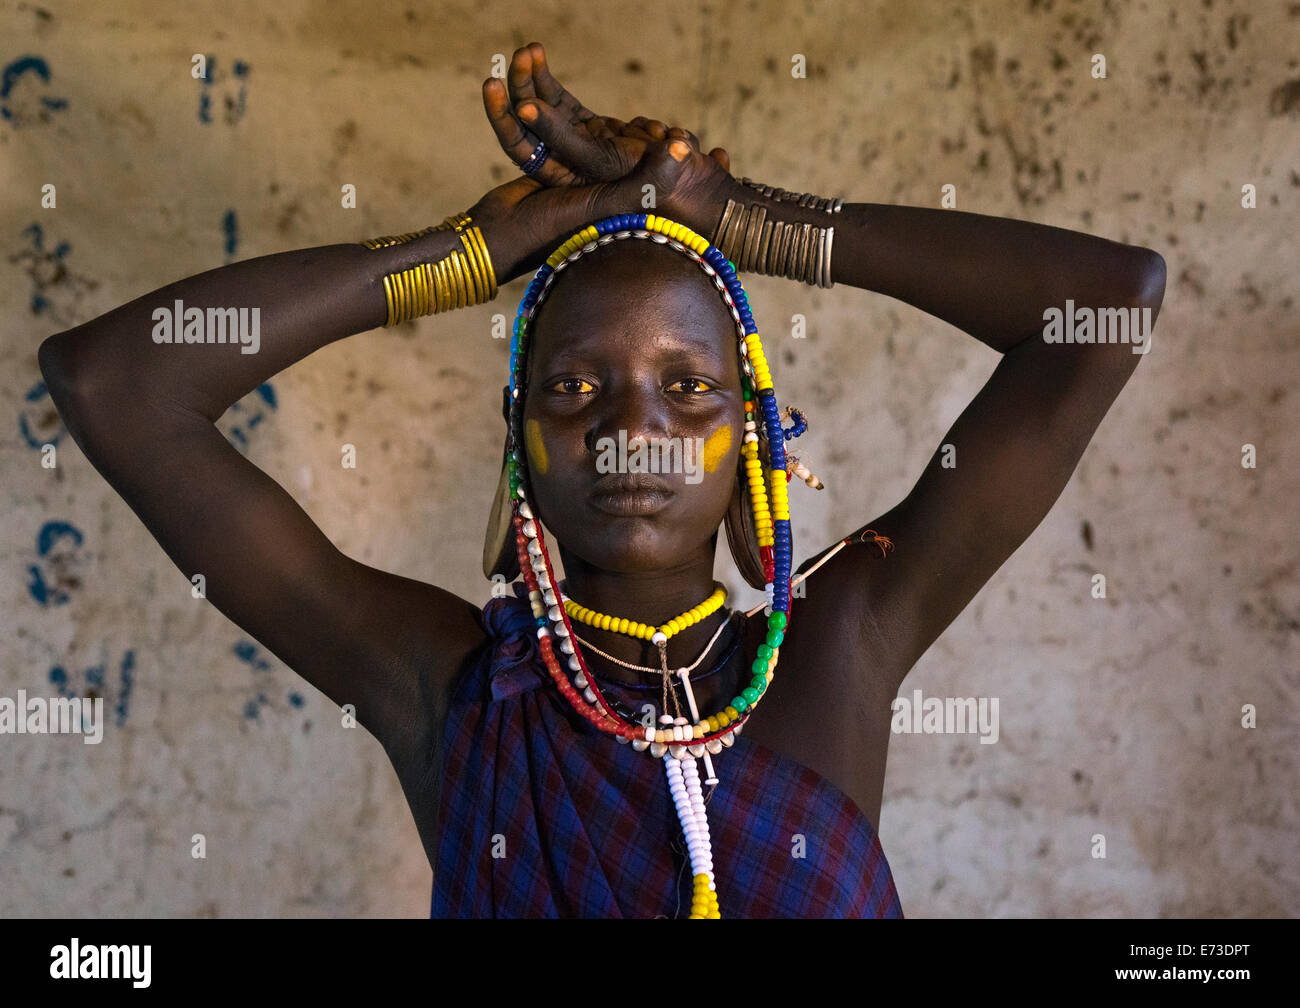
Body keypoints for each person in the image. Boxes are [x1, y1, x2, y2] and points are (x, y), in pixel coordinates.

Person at [37, 42, 1166, 918]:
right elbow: (113, 385)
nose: (636, 426)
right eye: (575, 391)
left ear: (755, 444)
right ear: (517, 443)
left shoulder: (845, 639)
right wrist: (460, 259)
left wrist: (746, 222)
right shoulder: (446, 693)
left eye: (690, 391)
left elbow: (1109, 307)